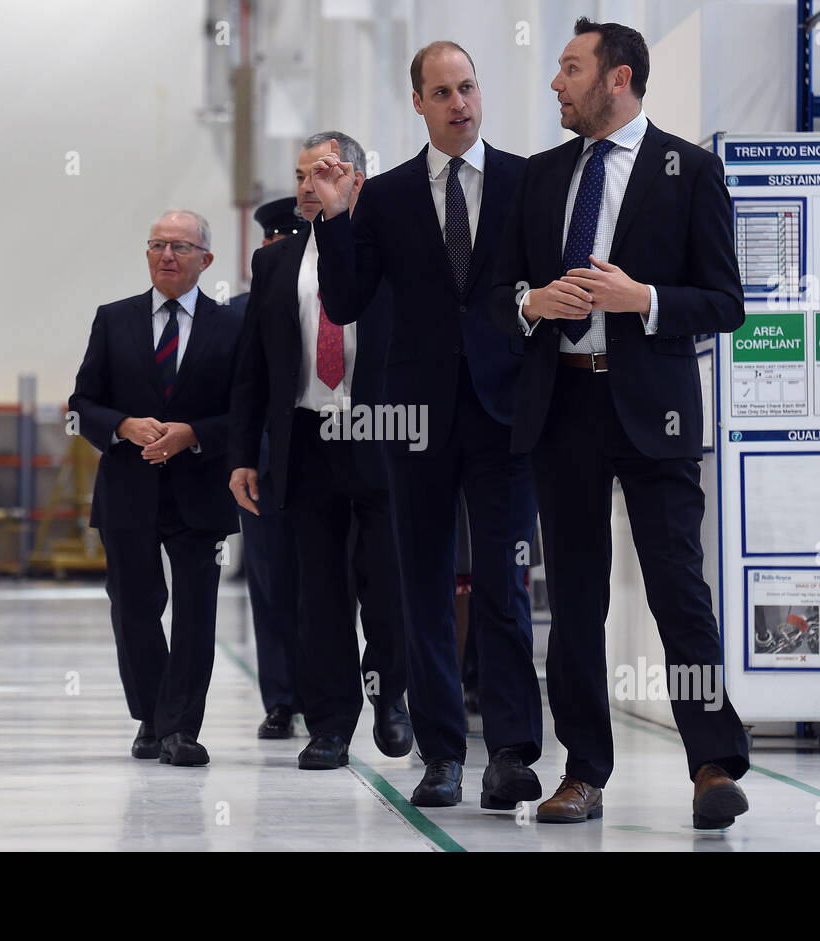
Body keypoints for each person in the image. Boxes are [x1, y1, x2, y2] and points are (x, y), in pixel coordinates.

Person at [488, 20, 751, 828]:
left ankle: (712, 764)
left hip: (655, 410)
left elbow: (727, 303)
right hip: (561, 404)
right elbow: (495, 299)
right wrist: (533, 305)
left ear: (619, 78)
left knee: (678, 589)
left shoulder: (691, 172)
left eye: (571, 69)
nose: (556, 84)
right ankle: (585, 771)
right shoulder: (539, 176)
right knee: (573, 600)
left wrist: (648, 300)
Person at [308, 44, 542, 809]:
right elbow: (342, 302)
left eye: (468, 87)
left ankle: (510, 750)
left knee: (505, 587)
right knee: (426, 587)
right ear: (418, 103)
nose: (459, 103)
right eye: (441, 92)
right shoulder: (388, 197)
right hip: (415, 420)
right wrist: (335, 217)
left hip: (505, 411)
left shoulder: (524, 181)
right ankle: (443, 753)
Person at [229, 132, 410, 770]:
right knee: (319, 591)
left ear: (356, 178)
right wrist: (244, 453)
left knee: (388, 580)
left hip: (379, 430)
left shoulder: (388, 246)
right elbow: (255, 366)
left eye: (324, 172)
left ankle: (391, 692)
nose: (308, 185)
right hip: (306, 435)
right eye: (302, 174)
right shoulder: (275, 263)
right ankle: (331, 722)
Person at [69, 209, 243, 766]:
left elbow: (245, 412)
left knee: (196, 613)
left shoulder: (231, 327)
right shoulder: (113, 320)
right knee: (134, 608)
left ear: (205, 260)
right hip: (128, 488)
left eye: (181, 246)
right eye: (158, 245)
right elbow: (82, 403)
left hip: (201, 490)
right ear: (147, 255)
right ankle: (151, 713)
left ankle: (179, 730)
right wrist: (122, 425)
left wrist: (192, 433)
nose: (167, 255)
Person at [227, 197, 308, 739]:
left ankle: (332, 692)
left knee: (332, 584)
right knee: (271, 584)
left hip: (329, 458)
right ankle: (280, 698)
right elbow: (239, 394)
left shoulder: (336, 299)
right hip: (265, 465)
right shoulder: (237, 311)